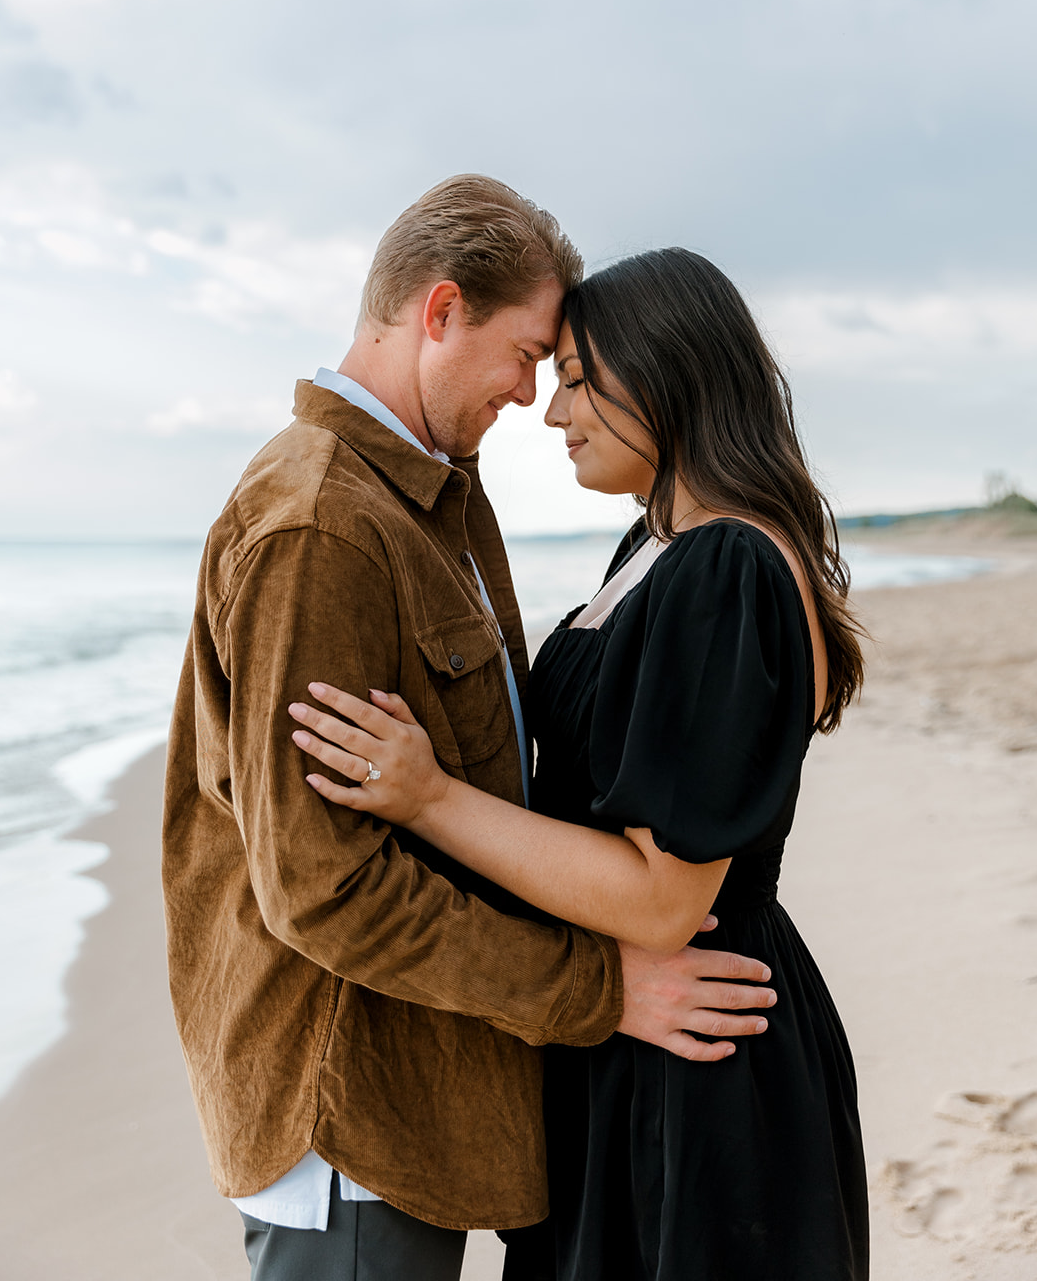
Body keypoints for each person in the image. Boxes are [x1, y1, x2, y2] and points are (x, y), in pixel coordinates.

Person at [162, 183, 777, 1281]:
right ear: (440, 309)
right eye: (528, 352)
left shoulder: (427, 495)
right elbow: (324, 887)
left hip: (421, 1092)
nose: (534, 394)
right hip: (354, 1107)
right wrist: (599, 988)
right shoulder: (323, 526)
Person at [290, 247, 871, 1280]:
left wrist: (425, 797)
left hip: (693, 1052)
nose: (550, 412)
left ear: (661, 367)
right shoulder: (653, 547)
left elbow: (657, 898)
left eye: (569, 375)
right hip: (637, 1039)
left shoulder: (726, 565)